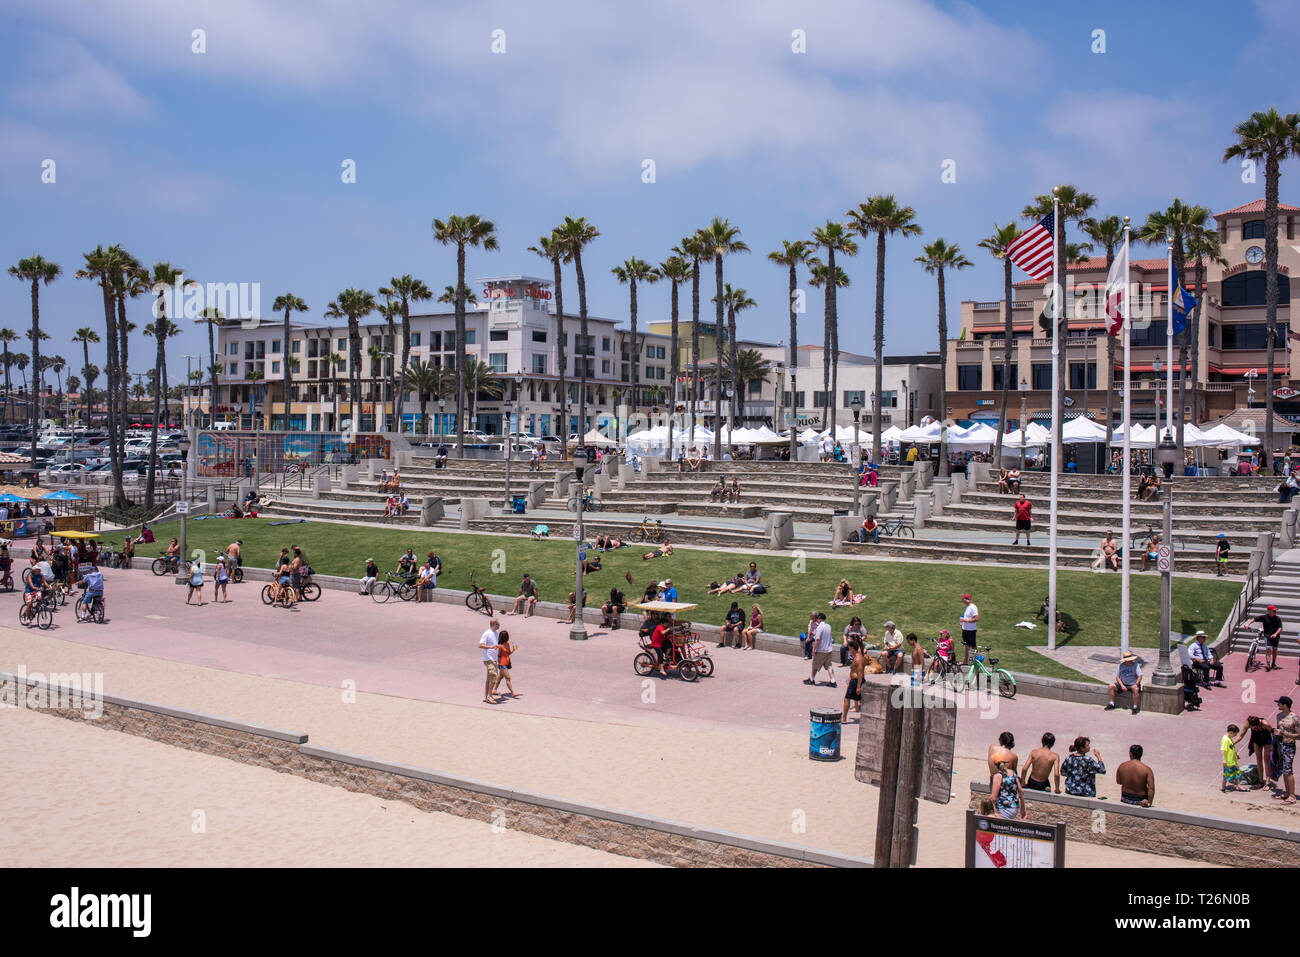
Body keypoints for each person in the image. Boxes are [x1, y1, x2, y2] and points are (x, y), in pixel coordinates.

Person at [1275, 696, 1299, 805]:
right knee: (1284, 769)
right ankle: (1287, 792)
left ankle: (1292, 796)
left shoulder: (1294, 718)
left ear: (1285, 705)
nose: (1277, 705)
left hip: (1289, 745)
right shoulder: (1279, 716)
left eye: (1279, 703)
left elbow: (1299, 735)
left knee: (1288, 770)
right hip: (1281, 744)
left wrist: (1285, 734)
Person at [804, 612, 836, 687]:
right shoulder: (828, 626)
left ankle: (811, 679)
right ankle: (833, 681)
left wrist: (814, 650)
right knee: (829, 666)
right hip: (828, 650)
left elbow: (817, 640)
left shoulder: (819, 628)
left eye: (817, 618)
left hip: (821, 650)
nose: (816, 620)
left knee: (815, 665)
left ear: (820, 619)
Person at [1251, 604, 1284, 672]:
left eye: (1275, 611)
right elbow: (1254, 619)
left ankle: (1273, 663)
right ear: (1269, 611)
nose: (1275, 612)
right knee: (1268, 649)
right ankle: (1268, 664)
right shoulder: (1264, 617)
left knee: (1275, 650)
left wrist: (1275, 634)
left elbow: (1280, 628)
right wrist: (1248, 624)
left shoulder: (1277, 618)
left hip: (1275, 636)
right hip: (1267, 635)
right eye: (1273, 610)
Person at [841, 636, 865, 723]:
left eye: (850, 649)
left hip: (856, 682)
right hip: (853, 681)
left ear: (853, 649)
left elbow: (860, 673)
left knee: (847, 698)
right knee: (861, 700)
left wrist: (858, 687)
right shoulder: (855, 657)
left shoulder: (858, 659)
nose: (849, 650)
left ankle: (843, 718)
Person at [1246, 715, 1274, 789]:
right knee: (1259, 760)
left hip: (1266, 740)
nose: (1254, 729)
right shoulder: (1249, 723)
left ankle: (1268, 782)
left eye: (1255, 728)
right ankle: (1261, 781)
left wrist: (1274, 745)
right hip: (1256, 740)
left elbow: (1272, 733)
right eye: (1252, 728)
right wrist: (1233, 743)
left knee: (1266, 760)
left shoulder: (1265, 724)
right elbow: (1241, 734)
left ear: (1258, 724)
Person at [479, 619, 501, 704]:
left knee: (489, 678)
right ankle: (489, 696)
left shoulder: (496, 633)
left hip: (494, 659)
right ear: (493, 624)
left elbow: (496, 644)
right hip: (488, 658)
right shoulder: (486, 633)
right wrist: (490, 647)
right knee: (494, 677)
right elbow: (480, 645)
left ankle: (486, 696)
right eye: (497, 625)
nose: (499, 626)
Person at [1221, 724, 1249, 792]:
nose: (1236, 735)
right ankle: (1223, 787)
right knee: (1226, 774)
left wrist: (1236, 754)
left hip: (1233, 760)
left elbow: (1232, 747)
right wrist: (1224, 760)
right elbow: (1223, 750)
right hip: (1228, 761)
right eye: (1235, 734)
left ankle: (1238, 786)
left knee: (1237, 773)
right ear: (1231, 732)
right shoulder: (1225, 739)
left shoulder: (1229, 738)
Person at [493, 630, 520, 698]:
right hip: (502, 664)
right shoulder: (500, 646)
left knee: (499, 678)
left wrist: (513, 650)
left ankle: (494, 690)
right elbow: (496, 654)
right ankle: (513, 692)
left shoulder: (507, 644)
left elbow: (508, 654)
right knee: (508, 678)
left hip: (506, 663)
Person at [959, 593, 979, 664]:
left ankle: (975, 662)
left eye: (963, 599)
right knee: (966, 646)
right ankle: (965, 661)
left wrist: (966, 620)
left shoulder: (973, 607)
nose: (962, 601)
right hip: (965, 630)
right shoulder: (967, 607)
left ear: (966, 600)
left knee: (973, 646)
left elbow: (976, 618)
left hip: (971, 630)